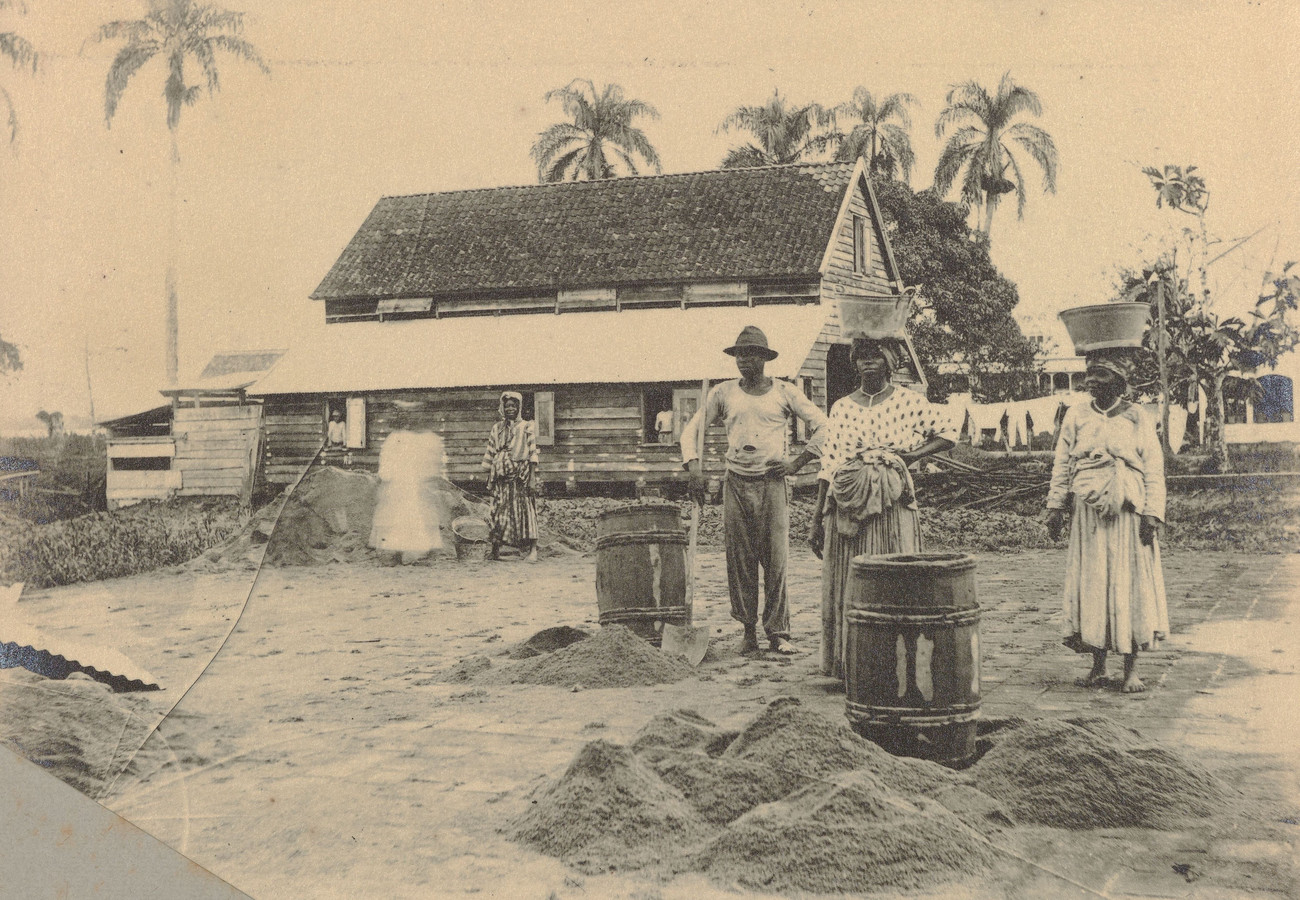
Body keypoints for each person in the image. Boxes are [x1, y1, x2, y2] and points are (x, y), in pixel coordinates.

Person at [810, 336, 958, 681]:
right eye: (861, 357)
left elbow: (949, 432)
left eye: (875, 356)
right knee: (852, 580)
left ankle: (896, 665)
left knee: (894, 576)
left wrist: (913, 455)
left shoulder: (909, 401)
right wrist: (816, 519)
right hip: (848, 503)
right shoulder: (842, 407)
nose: (867, 363)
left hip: (892, 504)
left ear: (890, 362)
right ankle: (855, 663)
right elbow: (829, 465)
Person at [681, 325, 828, 655]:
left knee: (776, 561)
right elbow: (691, 432)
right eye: (739, 354)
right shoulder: (722, 393)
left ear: (764, 358)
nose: (744, 360)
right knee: (740, 561)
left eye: (751, 354)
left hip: (772, 483)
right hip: (735, 482)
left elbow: (823, 426)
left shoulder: (785, 392)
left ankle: (778, 633)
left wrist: (796, 463)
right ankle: (748, 631)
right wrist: (694, 468)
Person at [1045, 352, 1169, 693]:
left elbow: (1153, 467)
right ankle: (1098, 666)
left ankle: (1131, 670)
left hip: (1129, 509)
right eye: (1089, 374)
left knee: (1130, 581)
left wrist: (1152, 513)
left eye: (1100, 375)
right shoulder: (1076, 415)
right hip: (1088, 509)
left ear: (1118, 381)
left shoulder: (1137, 416)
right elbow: (1062, 463)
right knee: (1094, 581)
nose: (1091, 381)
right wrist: (1055, 506)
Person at [482, 390, 540, 562]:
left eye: (514, 406)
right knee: (498, 511)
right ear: (502, 407)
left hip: (520, 477)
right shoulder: (497, 428)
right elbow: (491, 452)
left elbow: (532, 453)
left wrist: (532, 479)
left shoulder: (527, 426)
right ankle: (495, 550)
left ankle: (533, 550)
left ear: (519, 407)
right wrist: (490, 477)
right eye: (507, 406)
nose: (510, 409)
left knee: (526, 510)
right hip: (500, 477)